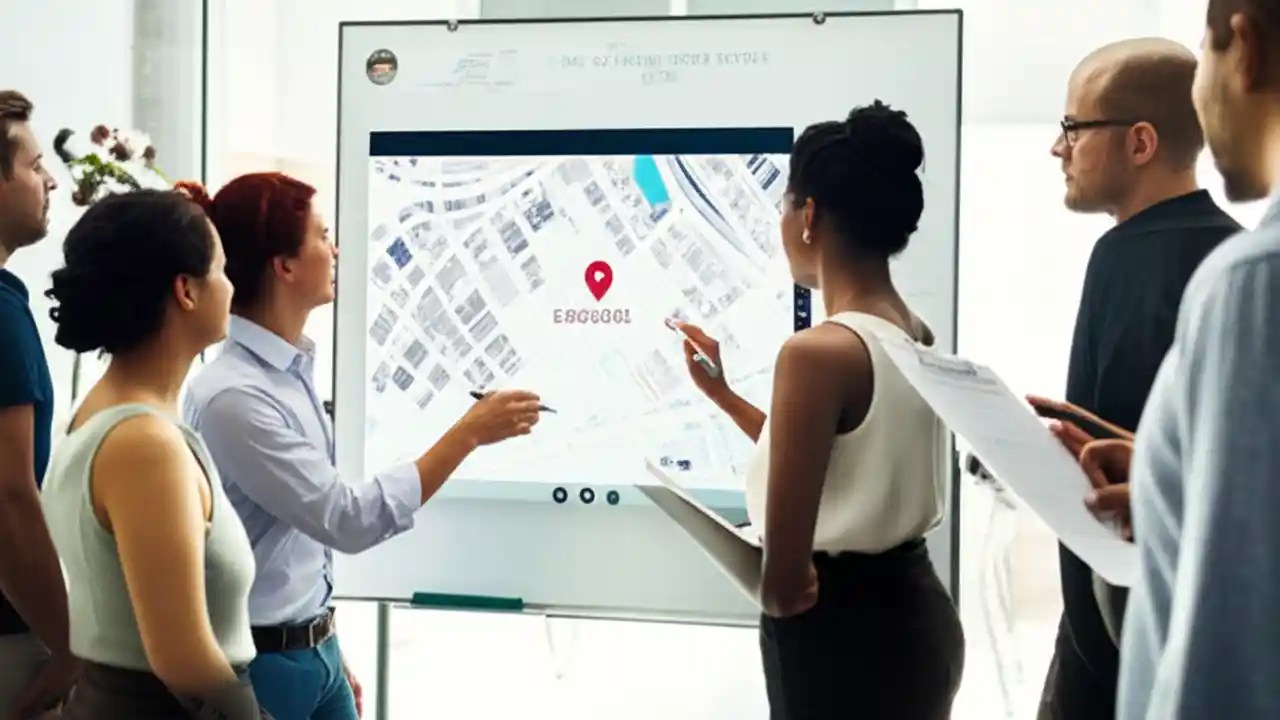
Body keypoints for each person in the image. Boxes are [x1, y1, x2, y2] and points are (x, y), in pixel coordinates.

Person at [181, 173, 541, 719]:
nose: (336, 250)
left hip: (314, 649)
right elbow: (343, 518)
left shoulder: (286, 372)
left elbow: (299, 541)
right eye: (323, 236)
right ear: (285, 266)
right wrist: (469, 432)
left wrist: (326, 642)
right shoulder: (234, 398)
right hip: (265, 666)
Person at [679, 102, 964, 720]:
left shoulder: (816, 354)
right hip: (916, 617)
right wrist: (726, 398)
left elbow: (783, 584)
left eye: (784, 204)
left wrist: (776, 586)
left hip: (841, 643)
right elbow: (841, 459)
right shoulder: (914, 333)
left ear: (809, 216)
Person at [1068, 2, 1280, 717]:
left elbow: (1233, 606)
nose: (1058, 146)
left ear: (1243, 46)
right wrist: (1167, 486)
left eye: (1073, 127)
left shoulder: (1252, 281)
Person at [1032, 37, 1242, 720]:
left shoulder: (1128, 258)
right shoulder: (1233, 256)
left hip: (1121, 635)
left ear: (1141, 142)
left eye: (1072, 127)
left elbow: (1110, 474)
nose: (1058, 148)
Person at [39, 189, 268, 717]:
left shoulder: (106, 411)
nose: (232, 288)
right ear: (186, 290)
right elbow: (183, 658)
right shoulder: (146, 443)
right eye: (223, 270)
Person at [0, 89, 75, 719]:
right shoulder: (1, 315)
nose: (49, 181)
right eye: (33, 166)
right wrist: (71, 645)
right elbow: (8, 497)